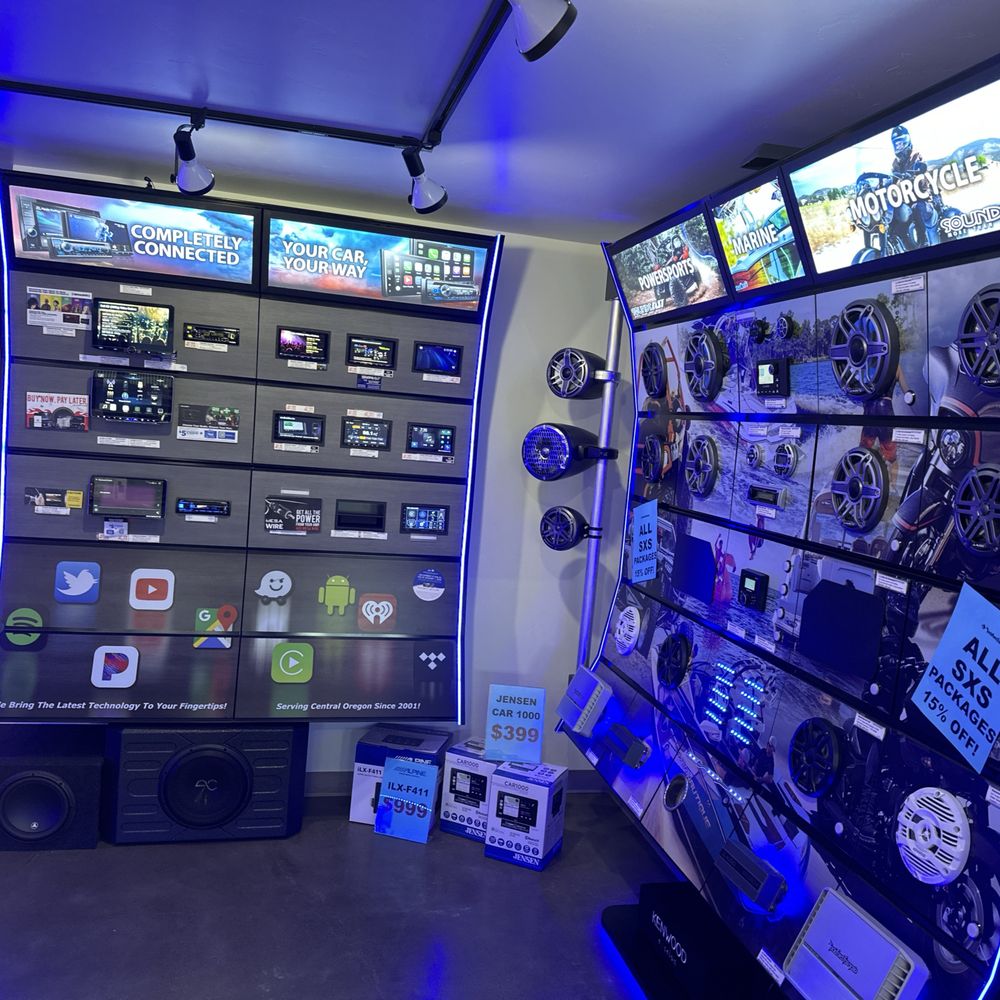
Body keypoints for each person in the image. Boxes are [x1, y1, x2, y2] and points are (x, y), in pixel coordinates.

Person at [890, 125, 943, 246]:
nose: (898, 146)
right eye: (896, 144)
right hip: (908, 199)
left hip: (926, 199)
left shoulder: (916, 155)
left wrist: (915, 172)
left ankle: (925, 243)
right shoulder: (895, 163)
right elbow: (893, 178)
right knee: (894, 213)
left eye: (900, 143)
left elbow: (921, 167)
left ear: (906, 141)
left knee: (917, 207)